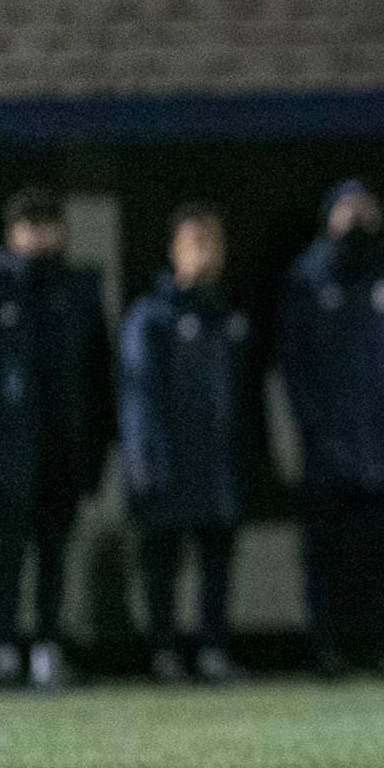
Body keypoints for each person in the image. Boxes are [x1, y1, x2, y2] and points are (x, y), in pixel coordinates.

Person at [277, 179, 384, 675]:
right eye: (344, 211)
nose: (355, 221)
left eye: (364, 210)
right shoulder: (307, 281)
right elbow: (293, 369)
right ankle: (327, 649)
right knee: (328, 555)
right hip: (327, 449)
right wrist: (313, 431)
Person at [0, 187, 113, 691]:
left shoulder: (77, 292)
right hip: (6, 455)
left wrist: (96, 451)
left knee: (55, 553)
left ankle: (47, 648)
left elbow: (99, 376)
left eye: (48, 223)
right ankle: (4, 650)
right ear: (11, 231)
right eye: (29, 224)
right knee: (9, 553)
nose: (39, 234)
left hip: (62, 450)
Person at [118, 203, 250, 684]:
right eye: (196, 242)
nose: (206, 253)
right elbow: (138, 402)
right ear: (174, 250)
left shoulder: (228, 316)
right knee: (163, 566)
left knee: (218, 566)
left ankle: (214, 649)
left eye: (214, 243)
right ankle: (163, 652)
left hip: (217, 466)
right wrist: (145, 466)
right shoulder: (150, 316)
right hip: (168, 468)